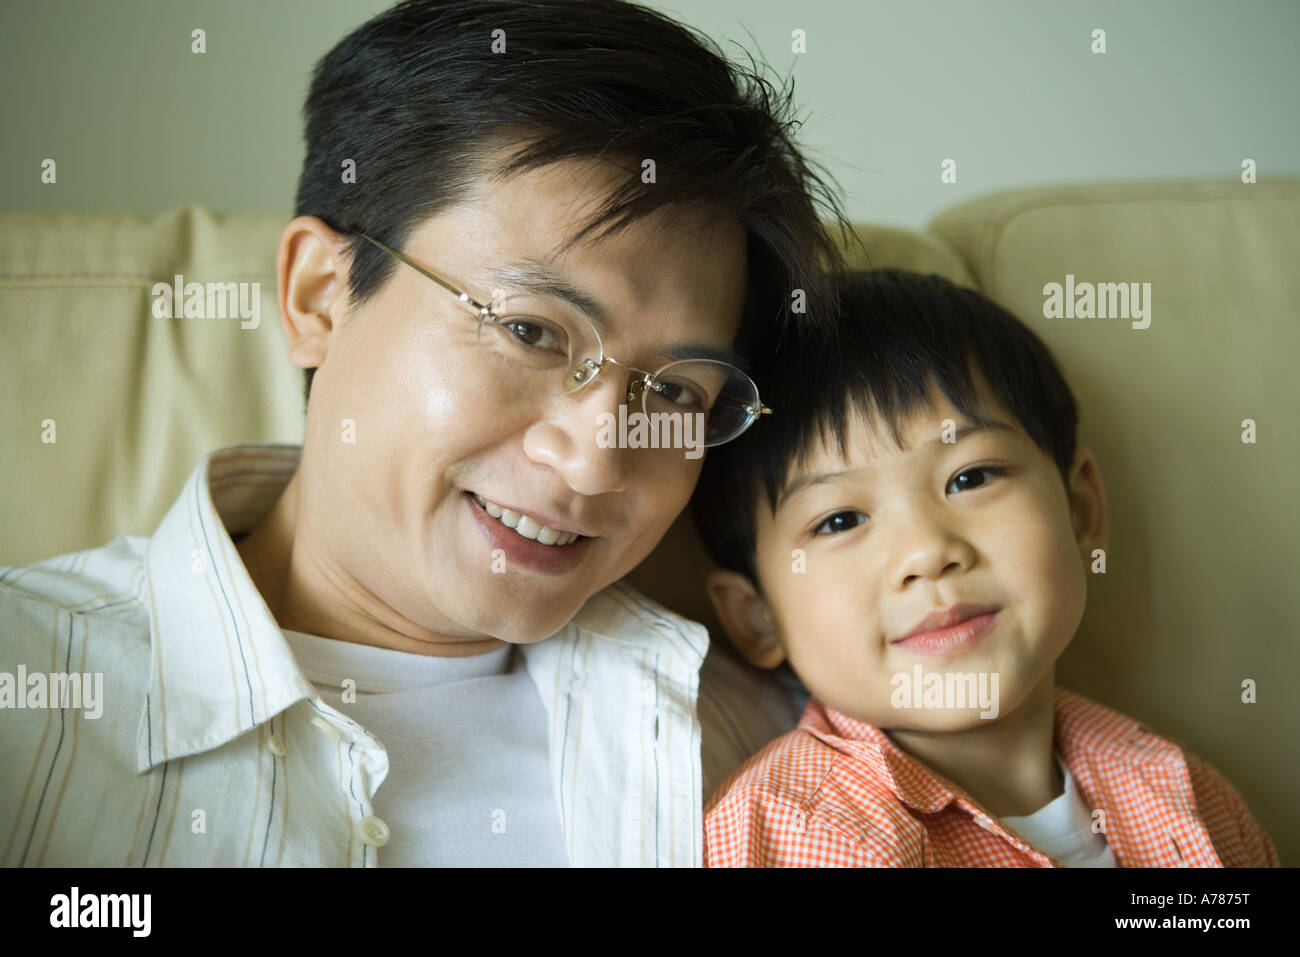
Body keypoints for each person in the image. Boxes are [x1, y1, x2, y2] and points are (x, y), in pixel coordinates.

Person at [0, 0, 851, 867]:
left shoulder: (784, 743)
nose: (596, 459)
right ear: (318, 295)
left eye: (673, 391)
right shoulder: (24, 687)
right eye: (531, 331)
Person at [693, 269, 1279, 867]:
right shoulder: (795, 829)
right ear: (758, 618)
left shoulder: (1190, 794)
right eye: (840, 520)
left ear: (1080, 513)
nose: (927, 551)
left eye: (969, 478)